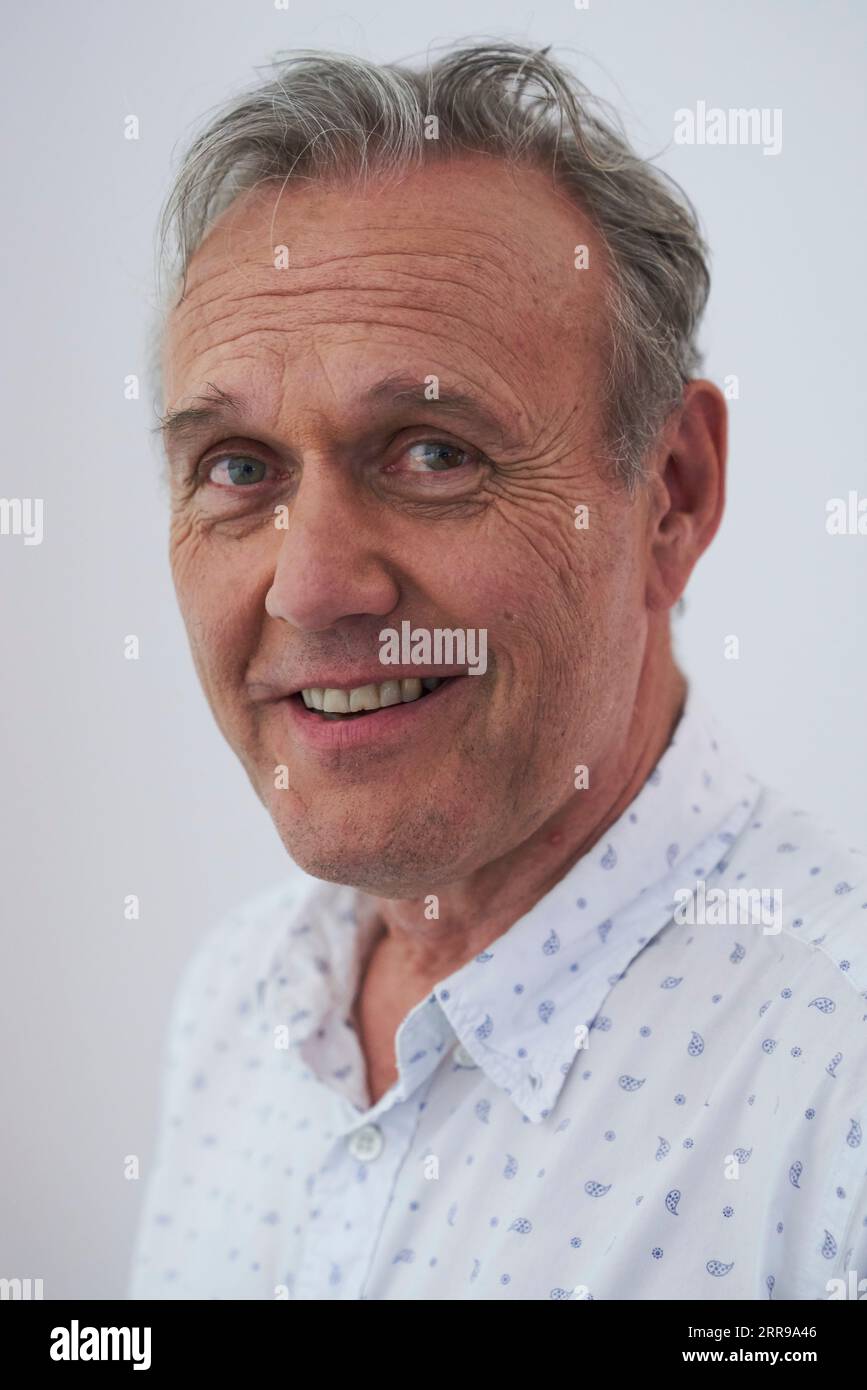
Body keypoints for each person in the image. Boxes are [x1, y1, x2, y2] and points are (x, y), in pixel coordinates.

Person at [128, 41, 867, 1300]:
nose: (309, 586)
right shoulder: (237, 997)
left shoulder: (835, 1078)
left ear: (672, 497)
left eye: (430, 453)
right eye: (242, 468)